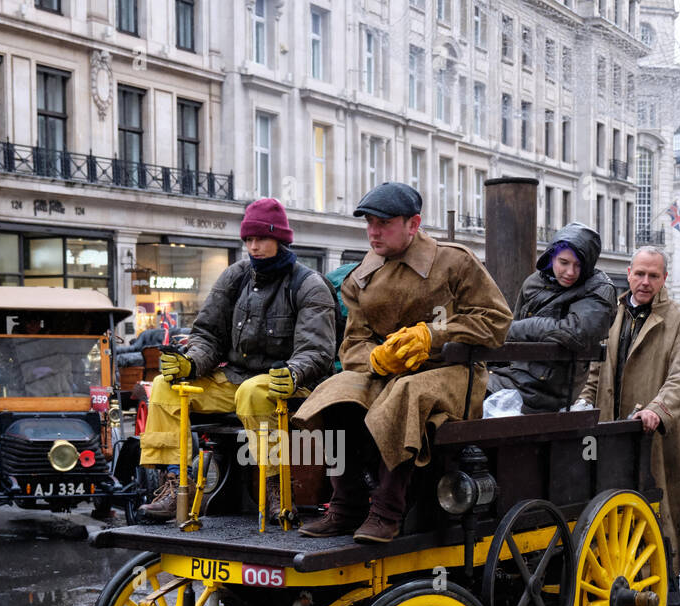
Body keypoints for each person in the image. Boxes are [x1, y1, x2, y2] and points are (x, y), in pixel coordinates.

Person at [294, 181, 512, 543]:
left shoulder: (455, 262)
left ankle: (387, 511)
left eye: (384, 223)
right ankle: (345, 506)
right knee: (332, 392)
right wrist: (377, 359)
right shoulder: (363, 274)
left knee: (405, 394)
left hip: (454, 373)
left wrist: (434, 335)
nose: (373, 231)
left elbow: (496, 321)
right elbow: (353, 345)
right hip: (388, 374)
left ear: (414, 223)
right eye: (368, 223)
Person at [139, 197, 336, 521]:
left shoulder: (309, 285)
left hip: (290, 385)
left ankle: (275, 490)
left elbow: (317, 351)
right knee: (163, 386)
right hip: (236, 379)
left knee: (252, 393)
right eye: (248, 240)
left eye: (261, 239)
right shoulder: (236, 276)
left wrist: (293, 372)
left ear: (281, 239)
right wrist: (190, 363)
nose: (253, 246)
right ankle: (175, 484)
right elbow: (208, 334)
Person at [579, 247, 680, 606]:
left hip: (656, 439)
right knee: (611, 518)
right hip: (611, 437)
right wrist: (583, 403)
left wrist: (657, 410)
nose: (645, 282)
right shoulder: (611, 315)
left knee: (657, 517)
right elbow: (596, 372)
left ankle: (662, 602)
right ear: (628, 273)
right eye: (640, 274)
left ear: (665, 279)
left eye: (654, 276)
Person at [489, 223, 615, 413]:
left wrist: (523, 328)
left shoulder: (599, 289)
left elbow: (577, 333)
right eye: (564, 262)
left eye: (578, 265)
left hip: (546, 391)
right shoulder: (533, 283)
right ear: (551, 256)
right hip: (516, 376)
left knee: (461, 390)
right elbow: (511, 333)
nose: (571, 272)